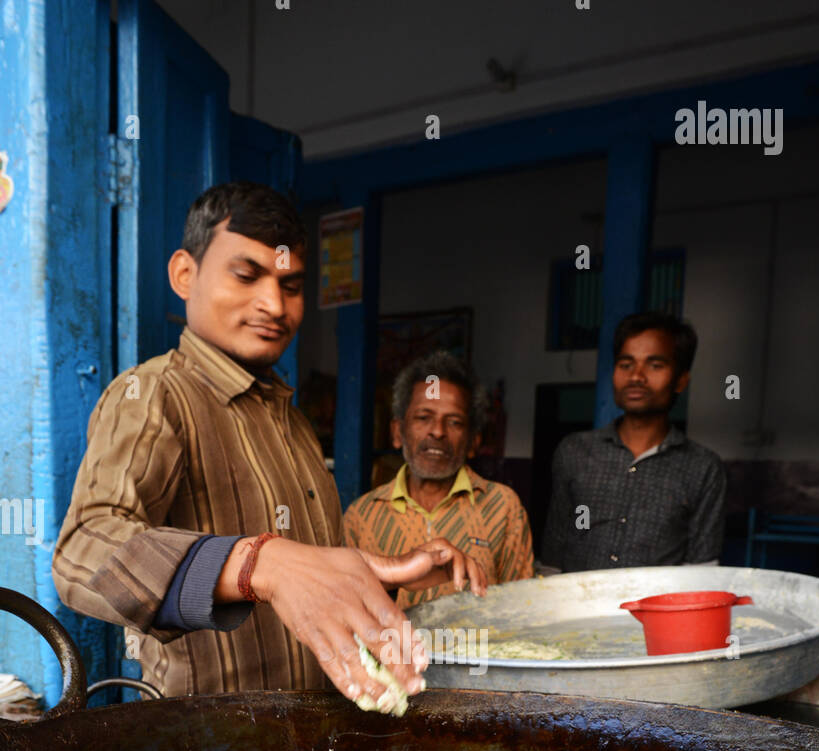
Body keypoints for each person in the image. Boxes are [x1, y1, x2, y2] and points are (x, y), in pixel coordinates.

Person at [52, 183, 485, 709]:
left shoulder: (292, 421)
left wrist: (385, 569)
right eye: (246, 275)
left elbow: (304, 573)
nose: (273, 304)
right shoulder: (154, 395)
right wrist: (262, 564)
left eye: (291, 284)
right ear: (185, 274)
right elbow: (82, 553)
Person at [344, 351, 534, 609]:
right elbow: (345, 605)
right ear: (397, 432)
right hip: (390, 650)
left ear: (473, 441)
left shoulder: (503, 507)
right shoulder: (361, 515)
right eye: (423, 418)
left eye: (454, 422)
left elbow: (521, 607)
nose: (437, 431)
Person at [541, 312, 727, 573]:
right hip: (578, 610)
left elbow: (702, 569)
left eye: (655, 365)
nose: (636, 376)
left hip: (655, 614)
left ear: (681, 380)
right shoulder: (574, 451)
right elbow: (553, 552)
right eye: (626, 364)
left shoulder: (703, 468)